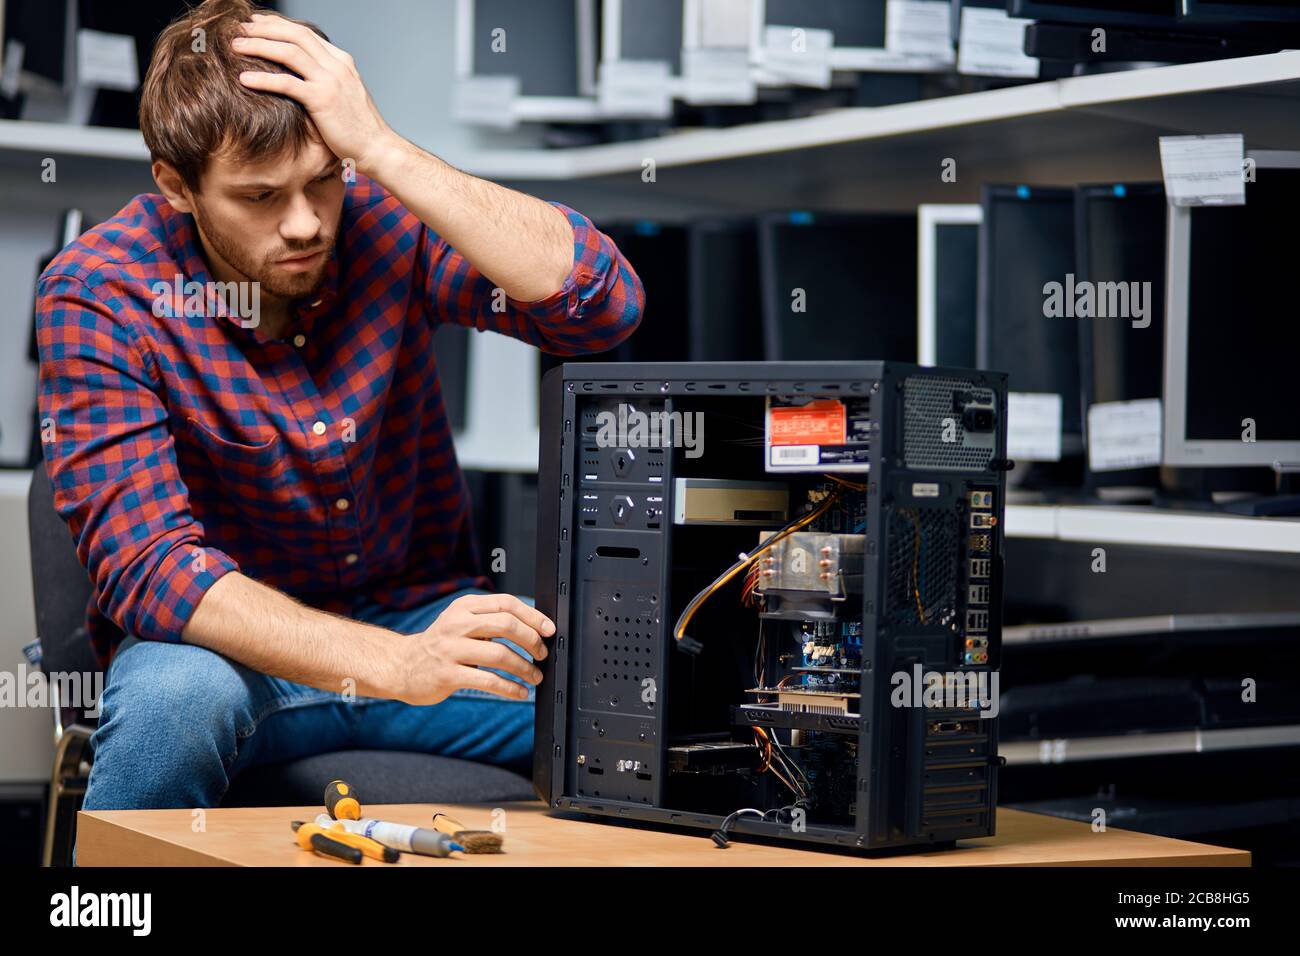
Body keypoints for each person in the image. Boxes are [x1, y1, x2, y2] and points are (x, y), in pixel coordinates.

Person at [34, 0, 643, 824]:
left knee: (641, 698)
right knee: (172, 705)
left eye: (323, 179)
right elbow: (155, 572)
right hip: (229, 657)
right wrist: (396, 662)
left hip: (418, 624)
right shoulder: (102, 291)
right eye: (258, 196)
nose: (303, 224)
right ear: (176, 186)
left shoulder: (377, 221)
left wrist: (381, 149)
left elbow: (601, 307)